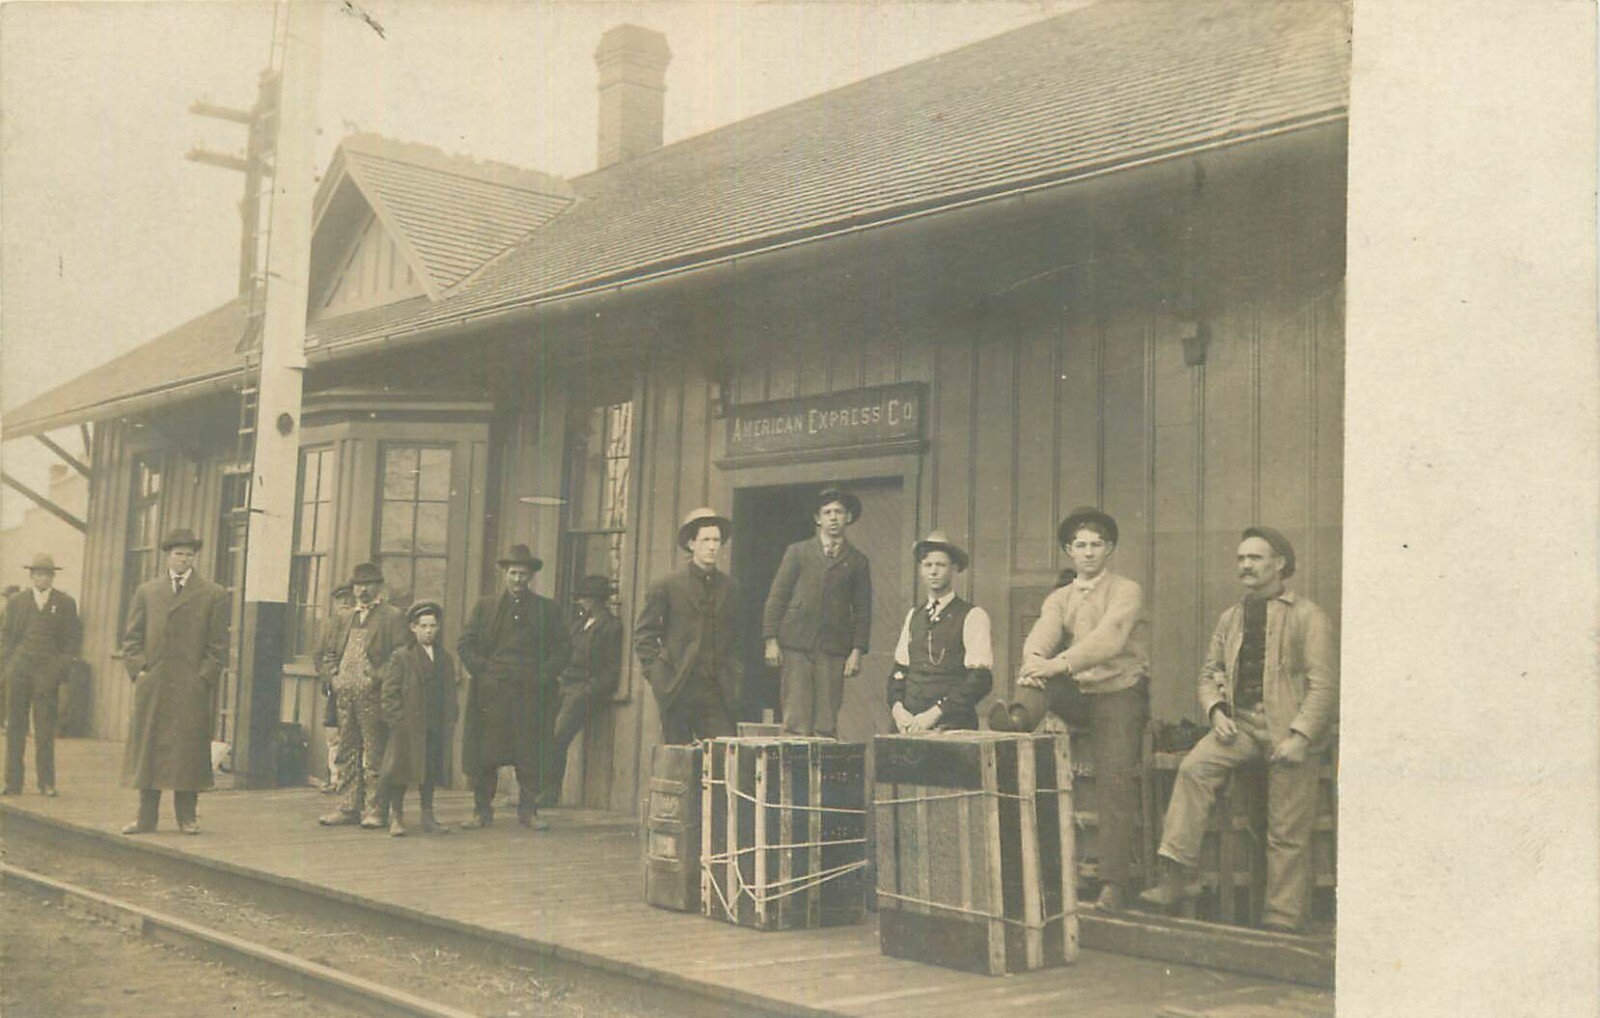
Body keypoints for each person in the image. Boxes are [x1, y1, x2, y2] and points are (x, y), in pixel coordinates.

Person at [1140, 527, 1338, 933]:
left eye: (1256, 558)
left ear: (1279, 563)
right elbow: (1208, 673)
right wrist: (1215, 711)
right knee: (1194, 768)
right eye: (1241, 559)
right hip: (1241, 727)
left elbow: (1324, 687)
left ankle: (1281, 920)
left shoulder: (1307, 616)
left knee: (1286, 831)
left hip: (1290, 731)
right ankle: (1175, 876)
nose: (1245, 566)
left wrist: (1300, 737)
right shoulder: (1231, 618)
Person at [988, 507, 1150, 911]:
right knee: (1039, 673)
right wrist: (1034, 660)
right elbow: (1041, 635)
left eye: (1097, 544)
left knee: (1115, 779)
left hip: (1119, 692)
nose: (1089, 552)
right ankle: (1017, 720)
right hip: (1079, 691)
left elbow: (1109, 641)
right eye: (1081, 545)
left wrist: (1053, 664)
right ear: (1068, 551)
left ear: (1109, 548)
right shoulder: (1060, 597)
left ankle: (1113, 882)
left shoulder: (1126, 590)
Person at [119, 529, 230, 835]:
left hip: (189, 684)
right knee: (149, 748)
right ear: (167, 556)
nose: (184, 559)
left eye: (189, 554)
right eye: (179, 553)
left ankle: (187, 817)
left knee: (188, 750)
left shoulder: (213, 593)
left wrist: (203, 678)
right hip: (154, 683)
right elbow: (132, 638)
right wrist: (139, 671)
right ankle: (146, 818)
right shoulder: (147, 591)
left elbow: (218, 645)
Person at [458, 544, 572, 830]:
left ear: (531, 576)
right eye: (513, 573)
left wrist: (544, 675)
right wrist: (483, 671)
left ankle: (529, 810)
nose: (518, 579)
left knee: (530, 753)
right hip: (491, 693)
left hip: (530, 693)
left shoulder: (547, 609)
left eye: (523, 574)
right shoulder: (485, 607)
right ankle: (481, 810)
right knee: (486, 754)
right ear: (504, 574)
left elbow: (564, 648)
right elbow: (465, 644)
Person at [761, 488, 872, 737]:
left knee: (825, 723)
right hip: (796, 646)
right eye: (827, 512)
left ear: (849, 517)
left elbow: (864, 610)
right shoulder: (797, 552)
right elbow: (777, 597)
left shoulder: (857, 561)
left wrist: (857, 651)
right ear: (818, 518)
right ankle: (792, 777)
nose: (833, 517)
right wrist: (771, 640)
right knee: (795, 722)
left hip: (833, 649)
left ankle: (821, 776)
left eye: (839, 512)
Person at [634, 508, 741, 745]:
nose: (712, 546)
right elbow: (644, 635)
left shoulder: (730, 587)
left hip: (716, 690)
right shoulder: (668, 585)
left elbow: (737, 638)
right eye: (705, 540)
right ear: (691, 544)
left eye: (716, 540)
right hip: (678, 687)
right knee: (679, 763)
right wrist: (659, 676)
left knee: (723, 757)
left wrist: (734, 675)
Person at [316, 563, 409, 829]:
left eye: (368, 585)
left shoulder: (392, 616)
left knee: (374, 752)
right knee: (346, 750)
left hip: (374, 696)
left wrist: (376, 678)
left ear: (379, 587)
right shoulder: (344, 617)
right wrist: (333, 676)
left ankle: (377, 809)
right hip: (344, 696)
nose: (363, 590)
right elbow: (328, 653)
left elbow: (399, 655)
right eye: (358, 585)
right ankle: (347, 807)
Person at [885, 530, 993, 732]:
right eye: (928, 565)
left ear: (953, 568)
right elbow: (899, 671)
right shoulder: (913, 616)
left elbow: (980, 680)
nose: (933, 571)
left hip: (951, 724)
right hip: (908, 726)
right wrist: (898, 710)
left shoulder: (973, 616)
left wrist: (936, 713)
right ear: (921, 570)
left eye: (940, 565)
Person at [539, 574, 622, 808]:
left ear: (599, 600)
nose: (583, 602)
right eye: (581, 598)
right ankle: (535, 789)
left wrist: (589, 690)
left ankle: (549, 793)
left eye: (587, 598)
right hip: (563, 684)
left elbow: (612, 670)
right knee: (542, 732)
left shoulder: (611, 627)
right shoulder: (578, 625)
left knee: (557, 736)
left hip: (584, 690)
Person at [2, 554, 81, 796]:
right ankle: (13, 782)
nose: (42, 578)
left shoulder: (65, 603)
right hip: (20, 670)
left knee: (45, 727)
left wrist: (61, 668)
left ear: (52, 577)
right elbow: (5, 637)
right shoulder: (16, 602)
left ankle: (46, 782)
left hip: (47, 672)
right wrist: (7, 667)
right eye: (38, 573)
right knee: (16, 726)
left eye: (46, 574)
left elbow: (72, 639)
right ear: (31, 576)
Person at [379, 601, 459, 836]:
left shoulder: (444, 658)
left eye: (433, 625)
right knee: (400, 772)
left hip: (434, 725)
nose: (429, 631)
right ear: (413, 628)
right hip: (408, 727)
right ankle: (397, 816)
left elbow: (449, 693)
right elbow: (389, 693)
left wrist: (450, 717)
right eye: (423, 626)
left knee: (430, 770)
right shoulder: (402, 657)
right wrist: (398, 722)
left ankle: (427, 815)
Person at [320, 583, 355, 793]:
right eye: (339, 601)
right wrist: (330, 678)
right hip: (335, 689)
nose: (343, 605)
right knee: (333, 734)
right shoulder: (329, 626)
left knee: (351, 735)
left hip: (355, 688)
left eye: (347, 600)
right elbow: (320, 654)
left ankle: (348, 779)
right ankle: (335, 778)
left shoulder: (358, 627)